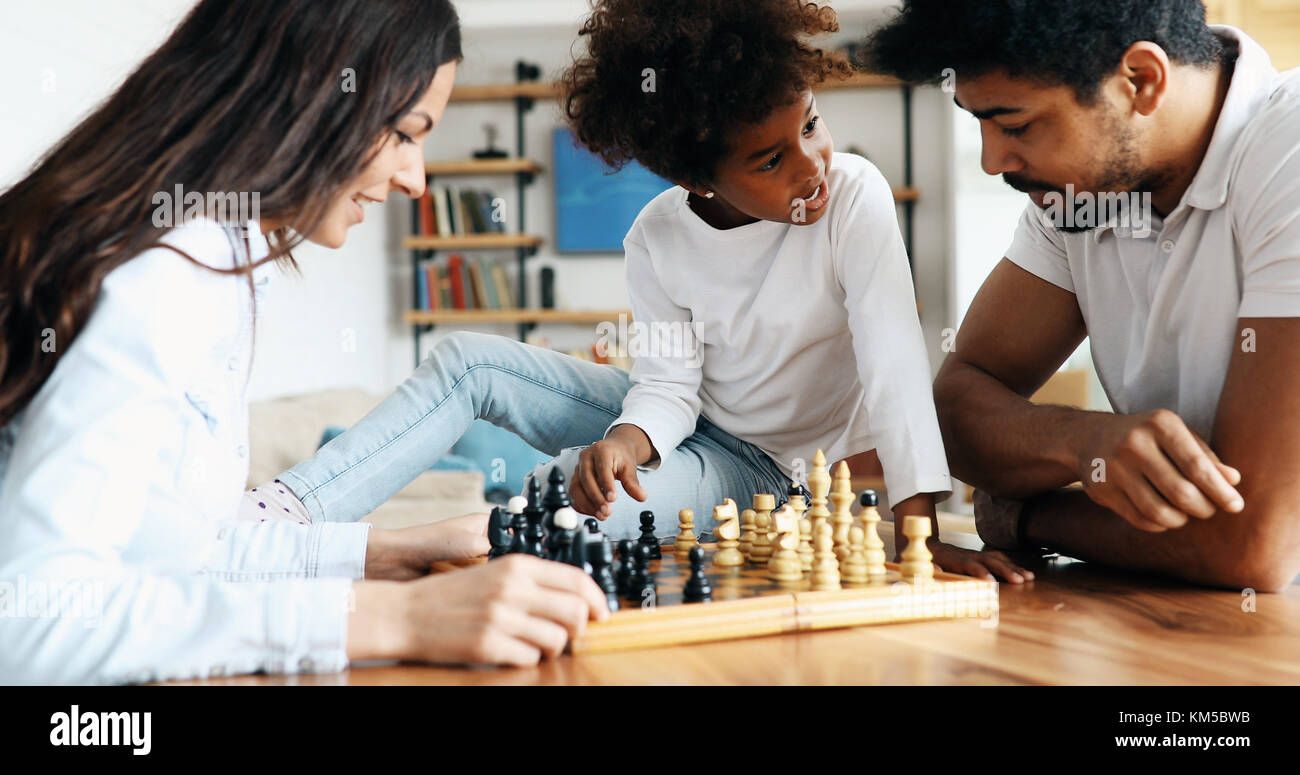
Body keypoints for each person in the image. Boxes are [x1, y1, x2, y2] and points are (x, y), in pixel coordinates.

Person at [269, 0, 1030, 584]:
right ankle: (280, 517)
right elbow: (667, 385)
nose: (812, 165)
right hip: (680, 416)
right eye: (770, 159)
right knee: (470, 363)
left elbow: (896, 372)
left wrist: (923, 540)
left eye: (813, 125)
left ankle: (410, 549)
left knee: (572, 505)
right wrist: (626, 443)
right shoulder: (656, 236)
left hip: (764, 468)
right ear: (699, 179)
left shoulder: (855, 199)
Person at [0, 0, 608, 685]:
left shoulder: (222, 252)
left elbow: (180, 554)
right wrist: (395, 619)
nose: (416, 179)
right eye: (407, 133)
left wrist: (386, 553)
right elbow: (33, 616)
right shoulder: (167, 267)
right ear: (313, 92)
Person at [863, 0, 1300, 591]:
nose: (994, 161)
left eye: (1015, 125)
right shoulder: (1078, 197)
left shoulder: (1289, 148)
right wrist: (1083, 442)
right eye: (980, 124)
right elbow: (954, 407)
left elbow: (1256, 547)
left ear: (1141, 81)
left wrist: (1027, 517)